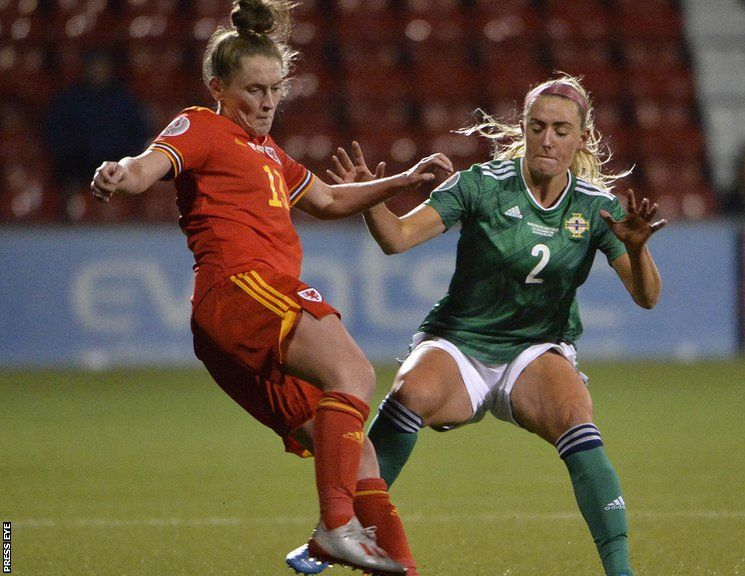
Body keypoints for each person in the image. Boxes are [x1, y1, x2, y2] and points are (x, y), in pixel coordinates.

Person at [89, 1, 453, 574]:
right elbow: (146, 166)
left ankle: (400, 567)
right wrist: (120, 173)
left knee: (360, 453)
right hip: (238, 289)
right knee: (354, 373)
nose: (265, 102)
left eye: (275, 89)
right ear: (218, 87)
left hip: (235, 326)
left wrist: (403, 181)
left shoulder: (270, 155)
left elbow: (330, 201)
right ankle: (335, 528)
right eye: (253, 89)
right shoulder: (203, 126)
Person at [331, 74, 665, 576]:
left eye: (560, 129)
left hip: (535, 350)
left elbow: (647, 296)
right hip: (460, 342)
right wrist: (369, 198)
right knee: (410, 392)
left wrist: (637, 252)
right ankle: (341, 531)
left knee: (576, 413)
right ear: (524, 130)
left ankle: (621, 572)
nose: (547, 139)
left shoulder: (598, 208)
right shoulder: (480, 185)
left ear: (581, 138)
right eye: (537, 127)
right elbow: (396, 238)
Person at [43, 49, 152, 220]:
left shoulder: (125, 100)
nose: (98, 71)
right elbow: (55, 133)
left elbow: (140, 134)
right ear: (86, 69)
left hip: (117, 162)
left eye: (102, 67)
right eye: (94, 67)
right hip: (79, 163)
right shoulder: (69, 99)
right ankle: (67, 221)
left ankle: (130, 224)